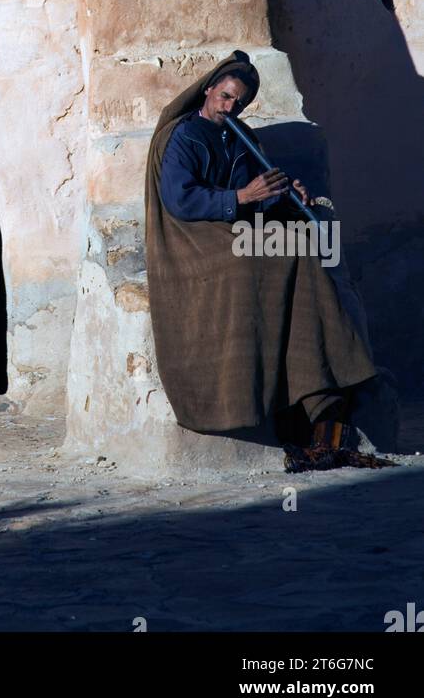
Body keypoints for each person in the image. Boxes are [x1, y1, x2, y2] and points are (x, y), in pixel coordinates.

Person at [145, 52, 393, 471]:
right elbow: (179, 199)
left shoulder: (240, 136)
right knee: (277, 257)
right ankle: (296, 396)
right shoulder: (184, 136)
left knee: (304, 245)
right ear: (208, 90)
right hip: (195, 239)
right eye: (224, 97)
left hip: (234, 231)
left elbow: (255, 196)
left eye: (237, 103)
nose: (229, 107)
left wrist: (281, 195)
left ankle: (323, 397)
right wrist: (241, 198)